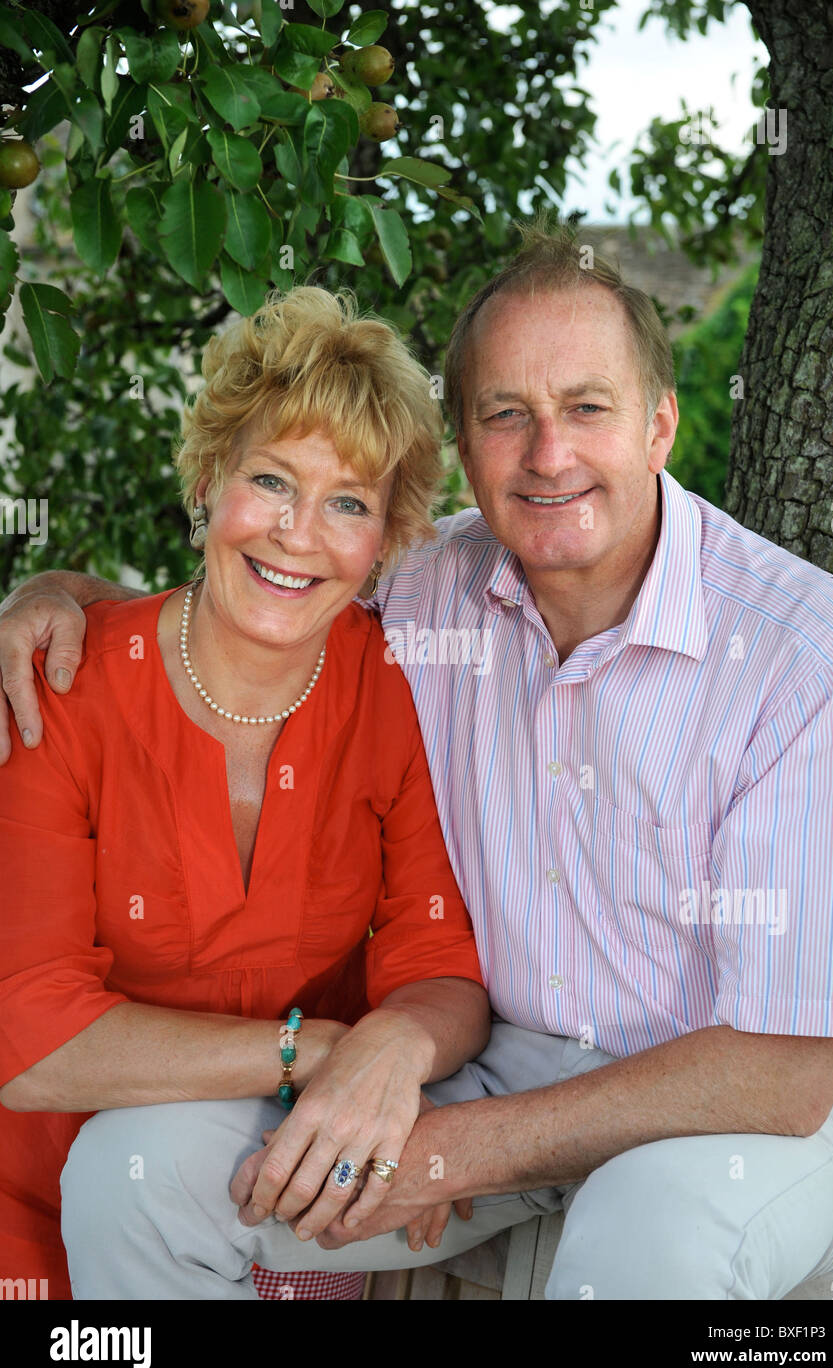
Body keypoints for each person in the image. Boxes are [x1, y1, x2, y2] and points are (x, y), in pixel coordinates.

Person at [2, 218, 833, 1301]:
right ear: (466, 447)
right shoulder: (427, 592)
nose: (548, 453)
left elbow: (785, 1071)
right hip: (499, 1067)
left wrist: (445, 1154)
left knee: (653, 1235)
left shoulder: (802, 649)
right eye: (507, 415)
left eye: (587, 409)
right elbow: (262, 585)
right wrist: (57, 599)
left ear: (660, 425)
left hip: (750, 1117)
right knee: (136, 1174)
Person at [0, 285, 489, 1300]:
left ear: (388, 534)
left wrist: (395, 1061)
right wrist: (309, 1050)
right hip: (35, 1197)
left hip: (260, 1184)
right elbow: (29, 1037)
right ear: (211, 477)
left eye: (348, 501)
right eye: (271, 479)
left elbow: (438, 963)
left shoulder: (399, 688)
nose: (297, 533)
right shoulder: (63, 683)